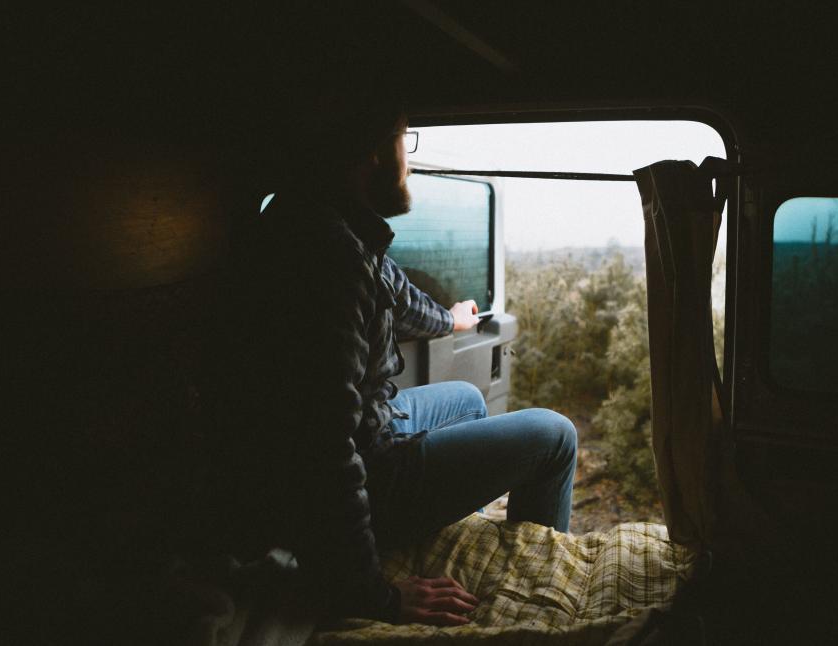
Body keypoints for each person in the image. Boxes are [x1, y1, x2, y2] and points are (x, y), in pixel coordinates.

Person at [219, 97, 578, 628]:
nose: (407, 159)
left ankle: (440, 535)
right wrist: (376, 597)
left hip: (371, 428)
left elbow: (400, 297)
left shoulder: (332, 226)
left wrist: (451, 320)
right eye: (403, 141)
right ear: (369, 154)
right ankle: (529, 600)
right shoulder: (327, 256)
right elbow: (321, 450)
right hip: (366, 470)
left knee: (468, 398)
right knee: (555, 435)